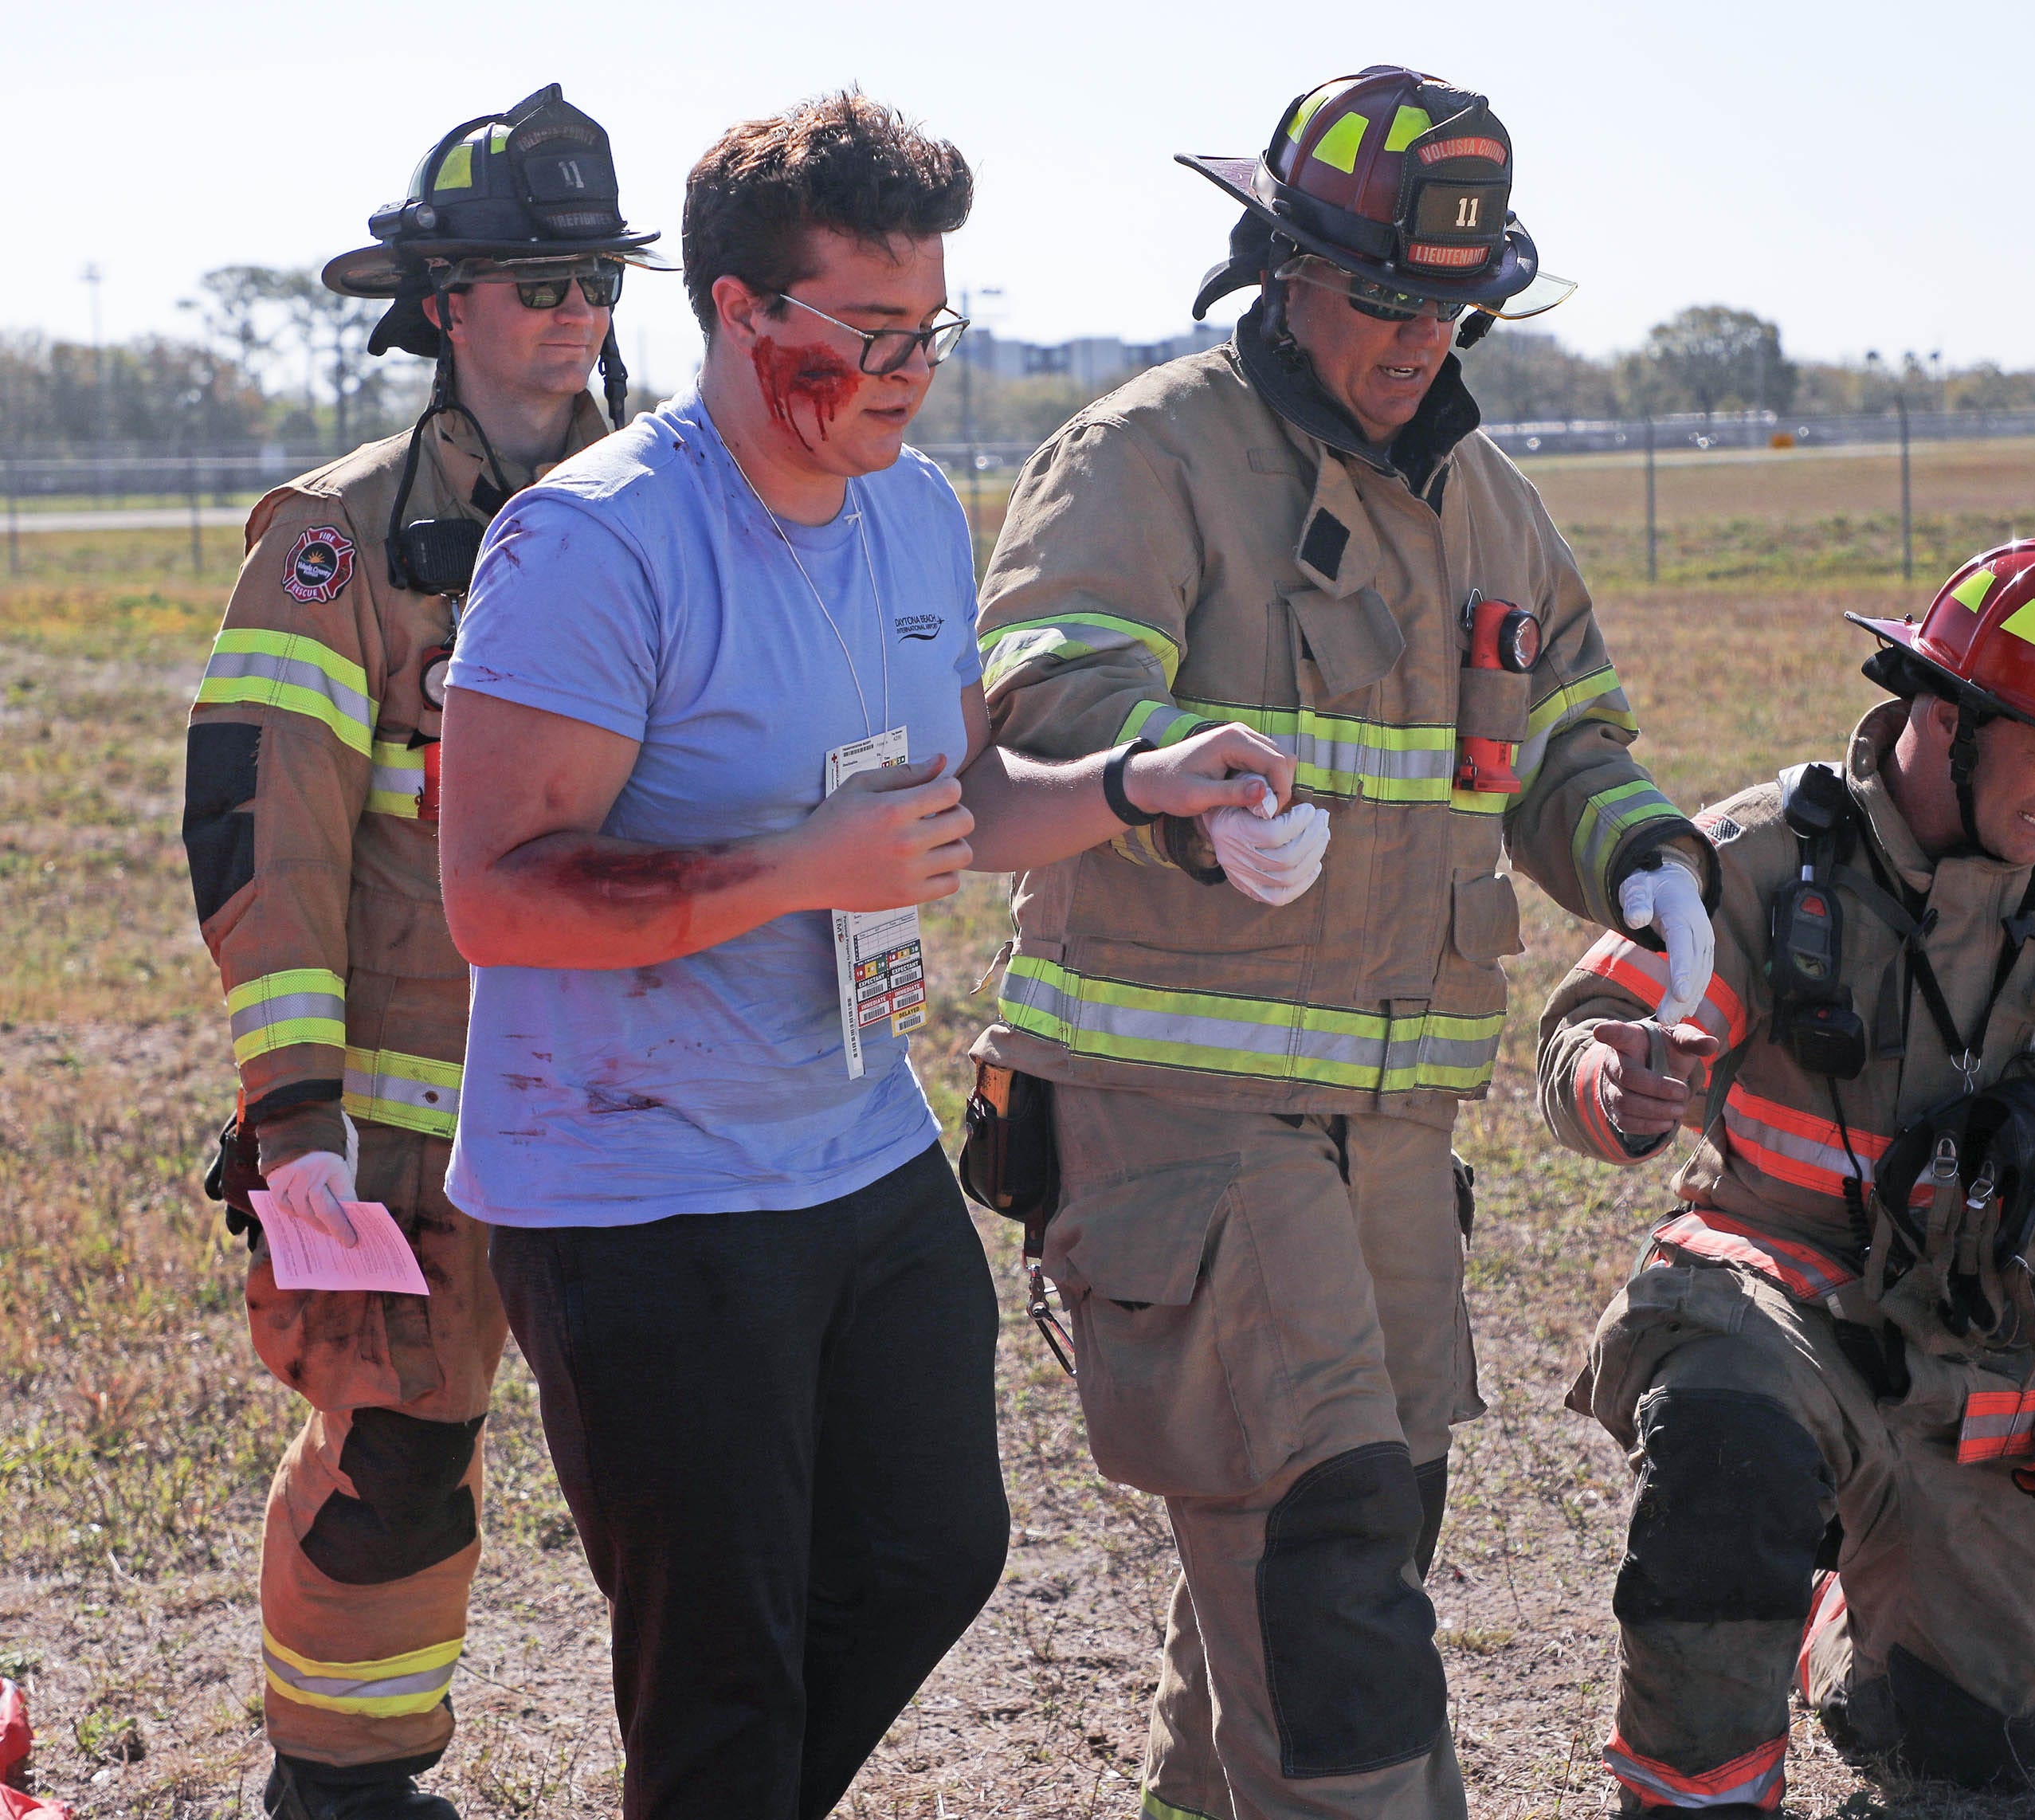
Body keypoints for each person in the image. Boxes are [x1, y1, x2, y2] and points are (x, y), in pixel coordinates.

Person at [429, 93, 1292, 1820]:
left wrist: (1136, 781)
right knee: (723, 1657)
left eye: (932, 329)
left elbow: (957, 791)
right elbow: (497, 893)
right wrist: (790, 869)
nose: (910, 370)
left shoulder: (913, 516)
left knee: (929, 1546)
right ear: (741, 313)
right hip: (635, 1188)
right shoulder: (595, 540)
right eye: (868, 332)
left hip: (854, 1135)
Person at [970, 67, 1718, 1820]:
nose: (1419, 337)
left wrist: (1646, 862)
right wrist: (1167, 788)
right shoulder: (1145, 455)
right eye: (1385, 295)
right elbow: (1043, 691)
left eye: (1455, 304)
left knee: (1320, 1536)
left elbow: (1566, 743)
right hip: (1186, 1126)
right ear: (1281, 265)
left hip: (1389, 1136)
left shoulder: (1492, 506)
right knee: (1325, 1574)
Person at [1537, 539, 2035, 1811]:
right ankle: (1694, 1794)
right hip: (1775, 1301)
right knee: (1728, 1442)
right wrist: (1615, 1082)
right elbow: (1592, 1029)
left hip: (1984, 1369)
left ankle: (1840, 1610)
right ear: (1940, 720)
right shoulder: (1757, 858)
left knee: (1972, 1753)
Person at [180, 84, 665, 1820]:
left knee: (702, 1483)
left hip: (656, 1107)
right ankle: (345, 1783)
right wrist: (297, 1111)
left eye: (599, 278)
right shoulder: (338, 542)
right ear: (441, 301)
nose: (575, 315)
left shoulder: (688, 506)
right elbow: (267, 837)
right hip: (414, 1129)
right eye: (538, 280)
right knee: (399, 1469)